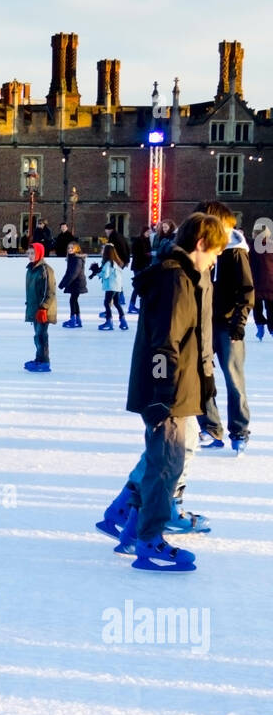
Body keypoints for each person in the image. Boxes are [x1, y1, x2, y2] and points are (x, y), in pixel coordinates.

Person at [101, 212, 226, 571]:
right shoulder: (176, 279)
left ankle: (135, 533)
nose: (216, 259)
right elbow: (165, 343)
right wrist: (162, 392)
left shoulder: (182, 275)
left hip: (177, 387)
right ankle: (150, 540)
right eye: (214, 251)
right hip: (169, 391)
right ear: (200, 244)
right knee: (165, 466)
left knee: (162, 463)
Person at [196, 199, 254, 455]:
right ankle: (211, 428)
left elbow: (247, 290)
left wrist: (238, 323)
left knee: (233, 379)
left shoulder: (234, 249)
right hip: (203, 324)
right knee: (202, 377)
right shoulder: (201, 249)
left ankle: (239, 430)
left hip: (228, 324)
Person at [24, 242, 56, 371]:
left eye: (33, 253)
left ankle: (44, 362)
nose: (30, 256)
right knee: (37, 335)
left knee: (42, 335)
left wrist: (43, 308)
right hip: (35, 308)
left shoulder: (45, 269)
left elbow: (50, 291)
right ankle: (39, 358)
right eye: (29, 253)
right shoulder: (31, 269)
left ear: (40, 253)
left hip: (43, 310)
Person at [250, 220, 273, 339]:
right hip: (271, 282)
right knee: (271, 307)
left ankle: (260, 328)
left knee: (257, 307)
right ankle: (272, 329)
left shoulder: (250, 247)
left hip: (255, 281)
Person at [98, 244, 128, 330]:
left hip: (111, 286)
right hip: (117, 287)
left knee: (107, 303)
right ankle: (123, 321)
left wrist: (98, 273)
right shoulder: (116, 263)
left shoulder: (108, 263)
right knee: (117, 303)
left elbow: (105, 275)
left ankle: (109, 321)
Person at [59, 241, 86, 327]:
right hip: (74, 283)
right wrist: (62, 283)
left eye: (72, 248)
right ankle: (77, 319)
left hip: (77, 283)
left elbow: (74, 274)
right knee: (74, 300)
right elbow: (68, 273)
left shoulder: (77, 259)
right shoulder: (71, 258)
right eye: (68, 248)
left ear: (76, 249)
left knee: (72, 300)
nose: (70, 249)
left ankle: (73, 319)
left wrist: (65, 283)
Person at [128, 226, 153, 313]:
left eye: (149, 232)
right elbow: (137, 253)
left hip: (145, 266)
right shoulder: (138, 241)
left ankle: (137, 305)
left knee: (143, 286)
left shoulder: (147, 240)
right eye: (148, 232)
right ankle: (132, 305)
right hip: (138, 266)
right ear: (144, 232)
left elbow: (147, 252)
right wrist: (148, 255)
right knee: (138, 286)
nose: (149, 234)